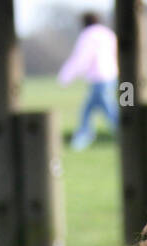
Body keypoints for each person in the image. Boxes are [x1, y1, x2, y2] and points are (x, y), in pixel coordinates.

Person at [57, 12, 119, 151]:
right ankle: (83, 136)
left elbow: (81, 58)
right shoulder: (108, 34)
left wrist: (66, 76)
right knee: (89, 108)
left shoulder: (88, 36)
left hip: (99, 78)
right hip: (113, 75)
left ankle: (85, 137)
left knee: (108, 109)